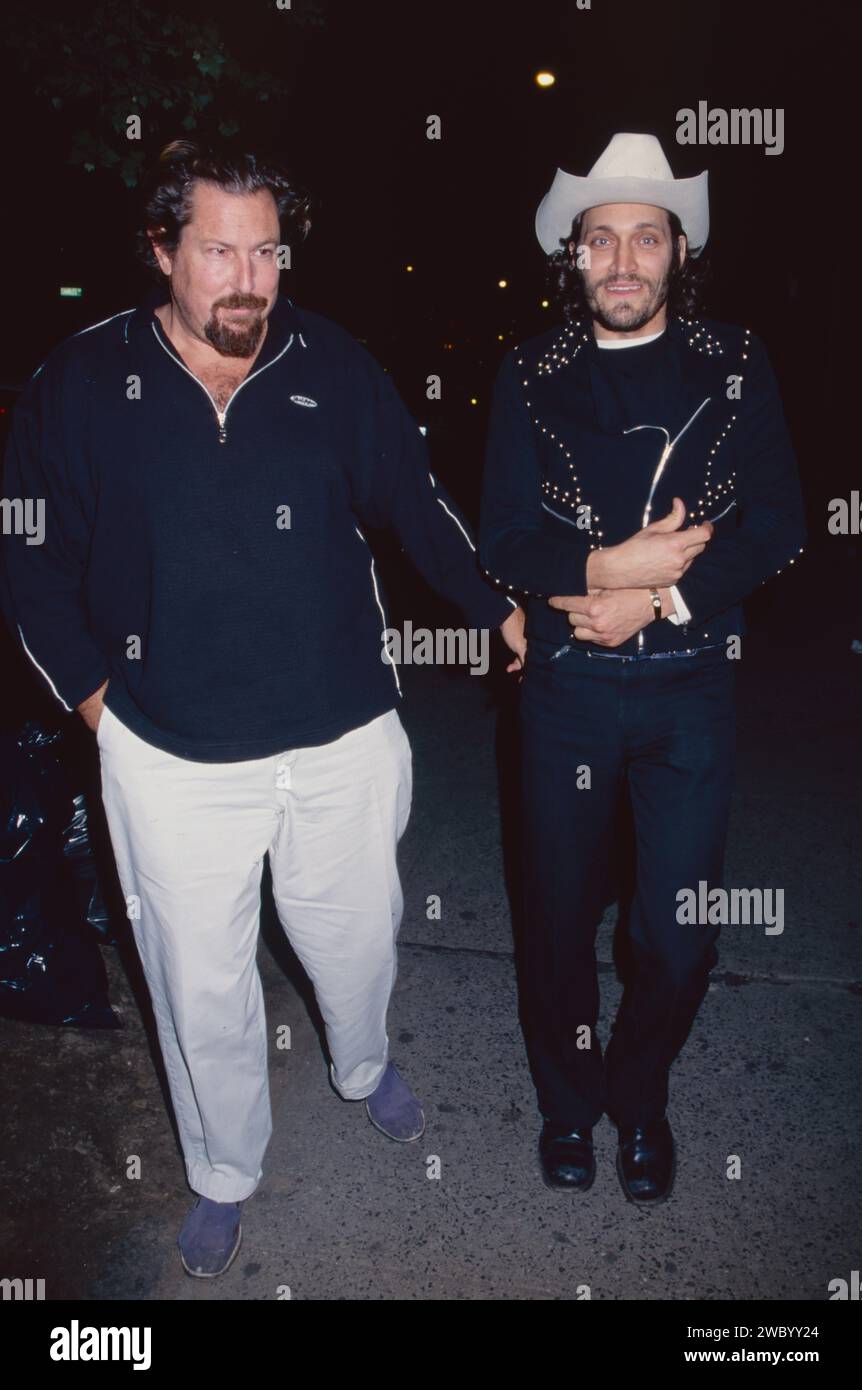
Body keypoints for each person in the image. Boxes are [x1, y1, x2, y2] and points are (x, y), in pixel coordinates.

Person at [1, 139, 525, 1276]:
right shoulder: (82, 382)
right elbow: (29, 553)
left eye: (267, 253)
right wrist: (95, 700)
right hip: (168, 750)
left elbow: (417, 505)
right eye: (219, 253)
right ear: (161, 250)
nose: (248, 281)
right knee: (199, 984)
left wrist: (499, 608)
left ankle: (361, 1062)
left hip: (342, 731)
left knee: (355, 939)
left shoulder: (331, 363)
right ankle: (223, 1171)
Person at [479, 132, 806, 1203]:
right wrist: (602, 571)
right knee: (556, 919)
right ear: (572, 255)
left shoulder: (736, 361)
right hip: (564, 687)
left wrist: (659, 598)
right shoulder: (528, 372)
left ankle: (639, 1094)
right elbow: (503, 537)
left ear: (678, 252)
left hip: (688, 683)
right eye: (601, 238)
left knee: (676, 935)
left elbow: (778, 522)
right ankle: (567, 1105)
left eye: (646, 237)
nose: (622, 260)